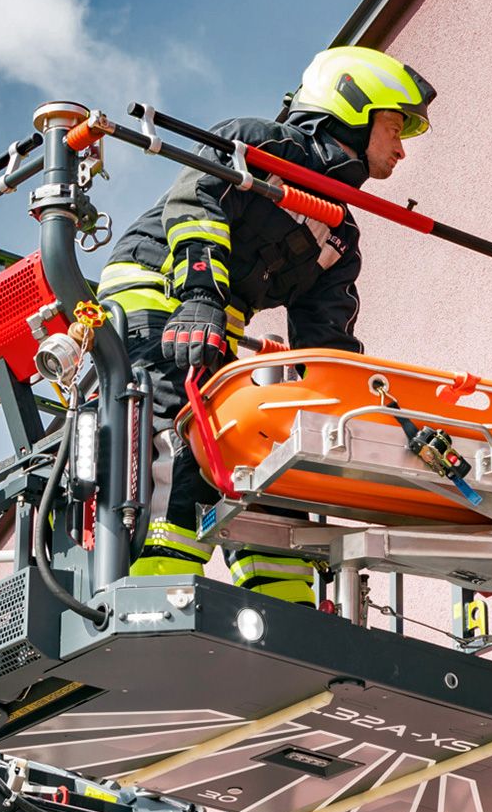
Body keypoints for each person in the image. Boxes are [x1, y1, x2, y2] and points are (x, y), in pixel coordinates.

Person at [100, 46, 435, 603]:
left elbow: (327, 343)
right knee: (186, 434)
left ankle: (287, 604)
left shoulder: (338, 233)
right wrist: (200, 296)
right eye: (395, 128)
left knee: (274, 448)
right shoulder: (258, 145)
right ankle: (156, 589)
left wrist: (356, 414)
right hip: (156, 289)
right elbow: (195, 204)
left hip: (218, 326)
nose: (401, 149)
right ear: (353, 108)